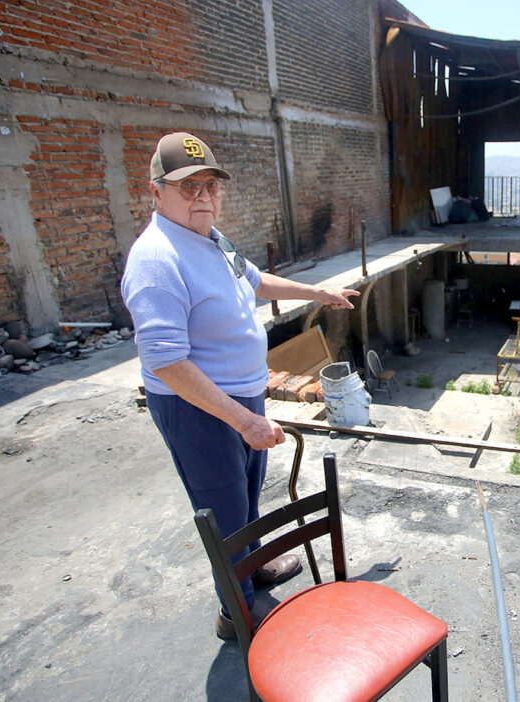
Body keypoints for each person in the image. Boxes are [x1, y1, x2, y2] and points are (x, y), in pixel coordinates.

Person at [120, 132, 359, 639]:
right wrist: (244, 419)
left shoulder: (211, 240)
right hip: (199, 408)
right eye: (188, 188)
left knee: (247, 494)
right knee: (222, 510)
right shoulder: (156, 259)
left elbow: (255, 281)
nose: (204, 197)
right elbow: (165, 363)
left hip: (240, 395)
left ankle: (253, 567)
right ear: (155, 192)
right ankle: (238, 612)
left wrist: (319, 290)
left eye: (211, 186)